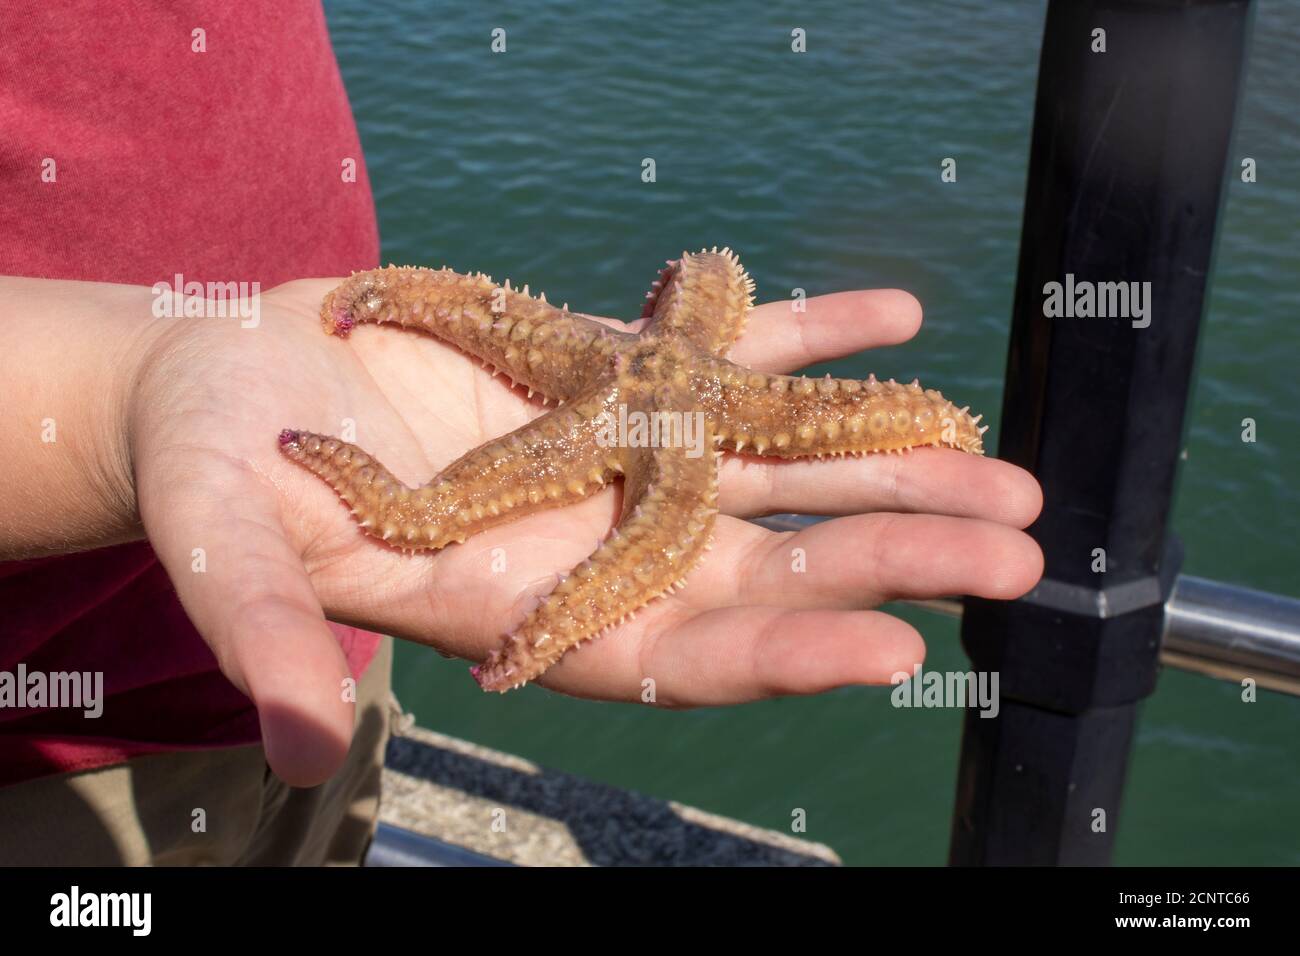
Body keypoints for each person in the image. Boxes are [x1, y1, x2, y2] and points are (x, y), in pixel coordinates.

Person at [0, 2, 1044, 865]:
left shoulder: (660, 352)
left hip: (331, 635)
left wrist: (333, 328)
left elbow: (698, 282)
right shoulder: (644, 384)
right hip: (51, 756)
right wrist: (128, 385)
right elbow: (456, 470)